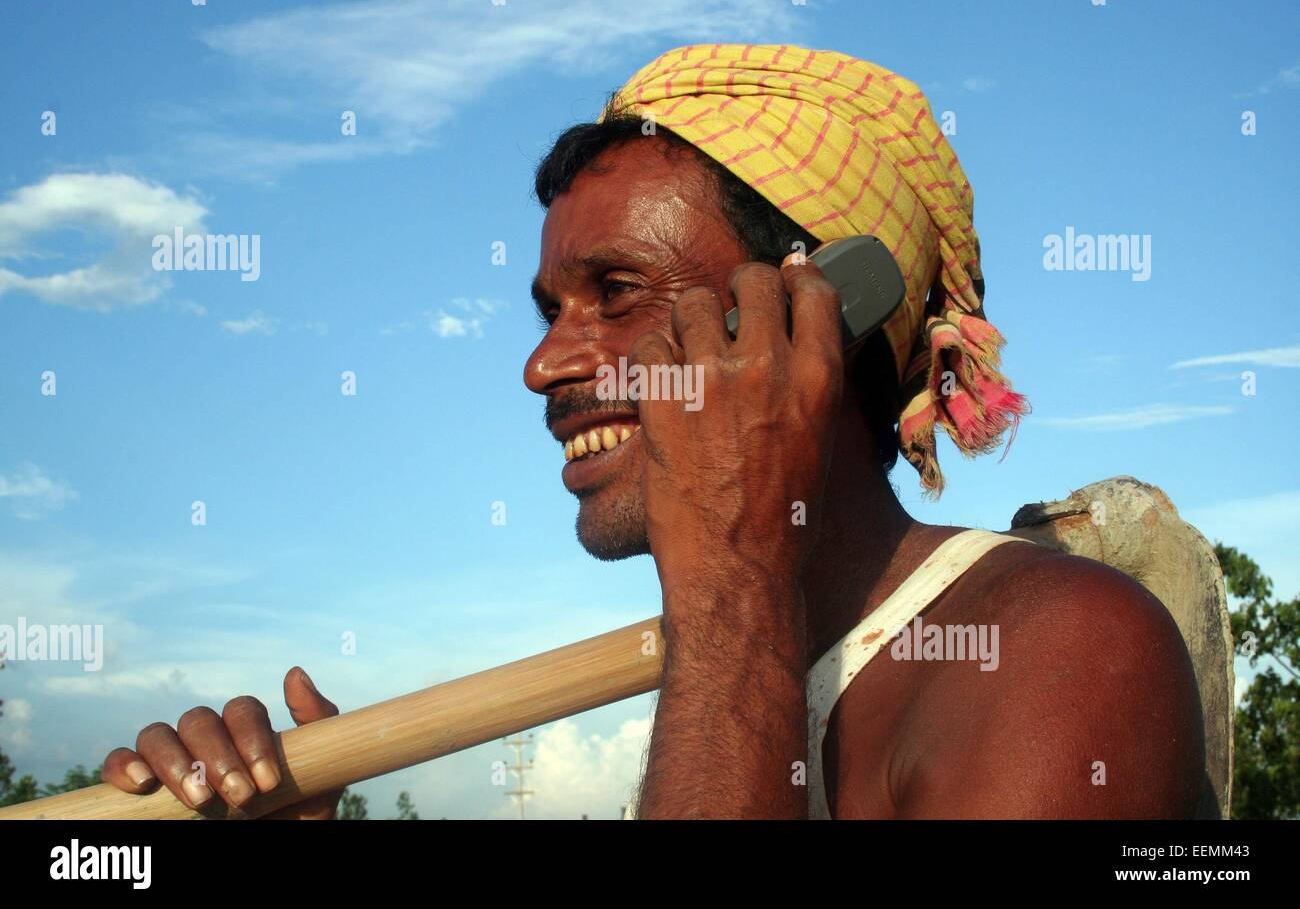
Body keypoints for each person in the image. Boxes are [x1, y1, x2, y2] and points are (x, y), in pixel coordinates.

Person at [102, 44, 1205, 819]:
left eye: (618, 290)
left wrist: (725, 582)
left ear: (811, 315)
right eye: (549, 311)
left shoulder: (1064, 650)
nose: (543, 364)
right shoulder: (723, 683)